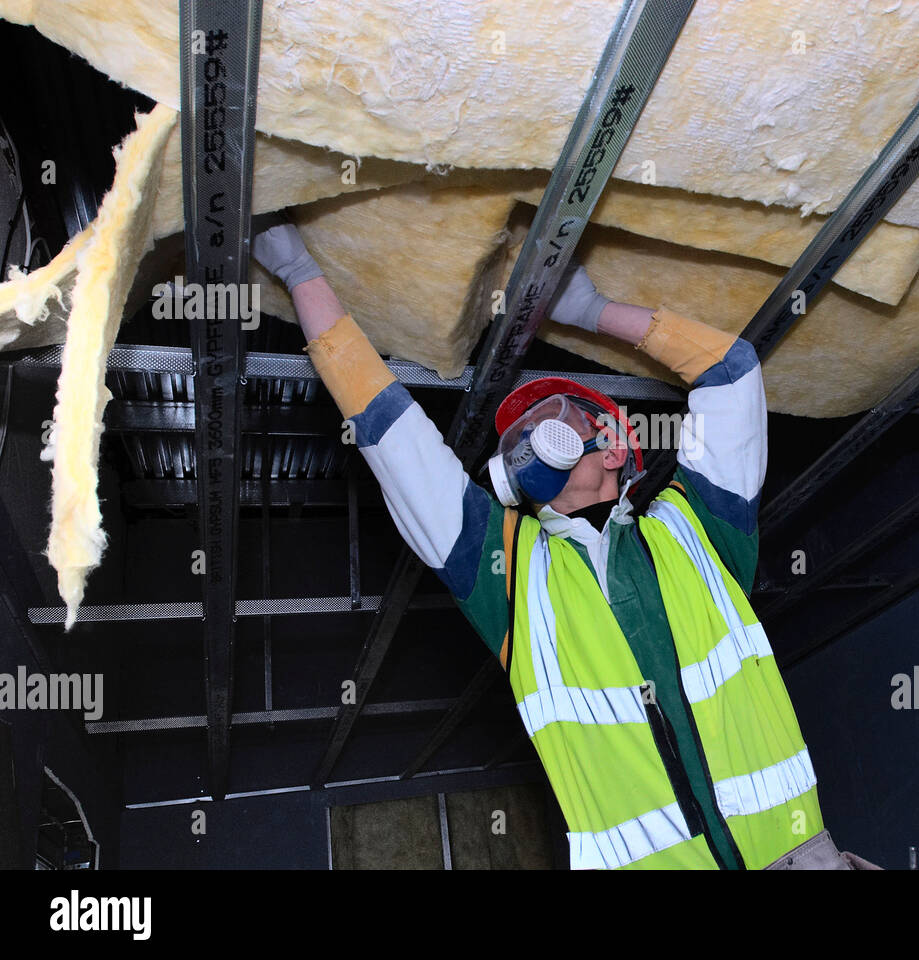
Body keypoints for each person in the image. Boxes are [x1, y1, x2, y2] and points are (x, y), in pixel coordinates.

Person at [252, 217, 878, 870]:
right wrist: (302, 276)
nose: (524, 438)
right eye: (514, 435)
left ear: (611, 443)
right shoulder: (508, 573)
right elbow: (391, 435)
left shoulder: (699, 527)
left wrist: (589, 311)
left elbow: (731, 375)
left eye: (549, 420)